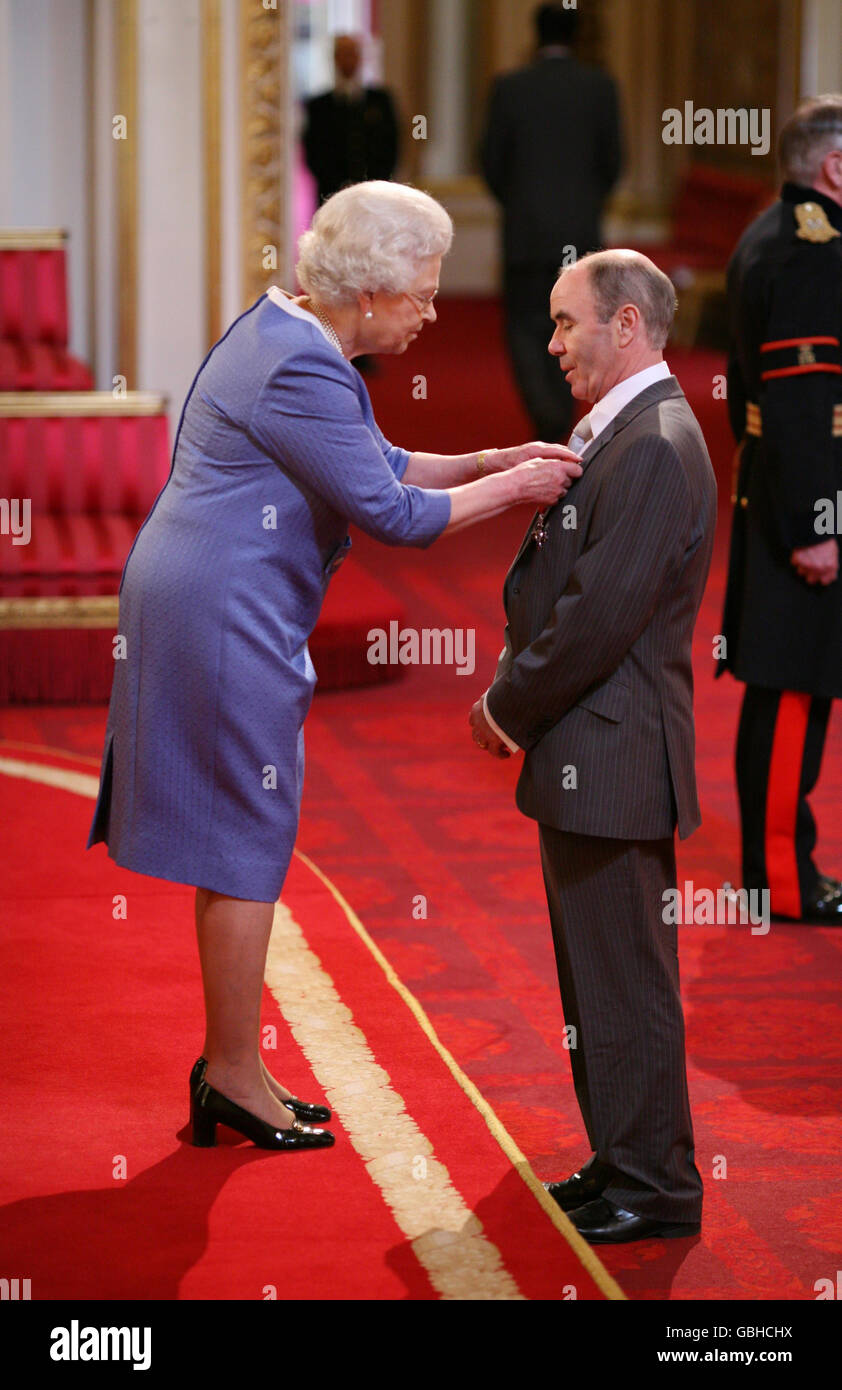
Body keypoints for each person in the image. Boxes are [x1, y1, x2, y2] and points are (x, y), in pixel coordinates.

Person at [86, 180, 582, 1154]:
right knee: (247, 833)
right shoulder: (304, 367)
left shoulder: (289, 330)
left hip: (207, 593)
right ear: (368, 294)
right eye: (423, 295)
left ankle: (235, 1061)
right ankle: (230, 1070)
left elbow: (375, 459)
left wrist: (484, 458)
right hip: (223, 609)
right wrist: (519, 487)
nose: (433, 313)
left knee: (244, 827)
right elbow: (395, 515)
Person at [469, 250, 716, 1244]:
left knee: (625, 983)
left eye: (567, 323)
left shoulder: (654, 441)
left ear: (625, 325)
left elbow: (599, 614)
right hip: (590, 752)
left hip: (613, 756)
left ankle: (655, 1186)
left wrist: (503, 705)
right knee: (597, 981)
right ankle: (620, 1158)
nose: (554, 343)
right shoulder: (627, 430)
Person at [717, 94, 842, 925]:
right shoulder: (811, 253)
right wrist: (817, 528)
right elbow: (802, 407)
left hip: (784, 488)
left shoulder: (781, 233)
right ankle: (780, 880)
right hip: (804, 505)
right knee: (794, 683)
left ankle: (778, 868)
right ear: (834, 168)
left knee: (794, 680)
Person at [480, 3, 622, 444]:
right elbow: (614, 162)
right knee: (579, 322)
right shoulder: (600, 87)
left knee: (525, 323)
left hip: (525, 231)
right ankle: (559, 412)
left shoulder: (509, 87)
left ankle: (543, 411)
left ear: (535, 34)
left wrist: (520, 204)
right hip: (580, 233)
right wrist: (584, 205)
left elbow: (489, 162)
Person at [302, 34, 399, 207]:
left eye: (352, 53)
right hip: (331, 195)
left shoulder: (380, 101)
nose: (347, 59)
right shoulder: (319, 106)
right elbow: (313, 150)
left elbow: (391, 145)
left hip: (374, 194)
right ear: (334, 58)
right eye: (342, 54)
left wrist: (374, 183)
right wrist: (337, 183)